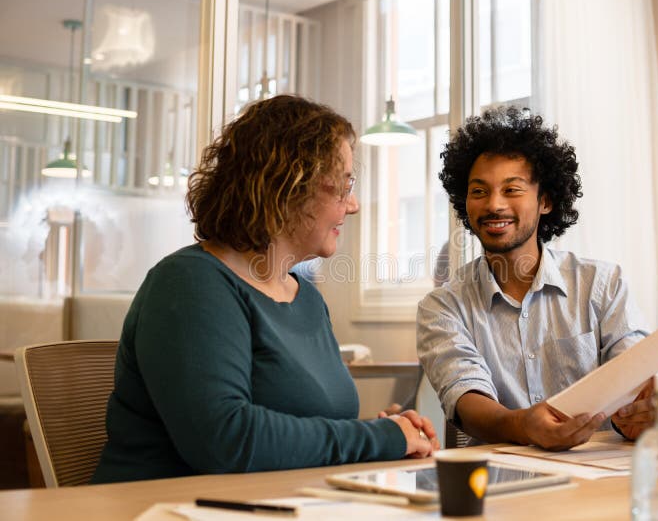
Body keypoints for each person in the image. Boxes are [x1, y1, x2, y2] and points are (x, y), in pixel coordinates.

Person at [92, 95, 438, 484]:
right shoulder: (190, 284)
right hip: (160, 504)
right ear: (289, 186)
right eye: (343, 186)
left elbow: (310, 431)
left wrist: (389, 433)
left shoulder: (307, 299)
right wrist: (377, 438)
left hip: (282, 501)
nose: (353, 204)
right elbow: (226, 440)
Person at [417, 106, 652, 451]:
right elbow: (465, 398)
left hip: (601, 470)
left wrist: (640, 411)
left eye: (512, 189)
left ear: (546, 200)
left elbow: (635, 374)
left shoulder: (603, 285)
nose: (494, 205)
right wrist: (523, 425)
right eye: (479, 191)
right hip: (498, 477)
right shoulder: (442, 307)